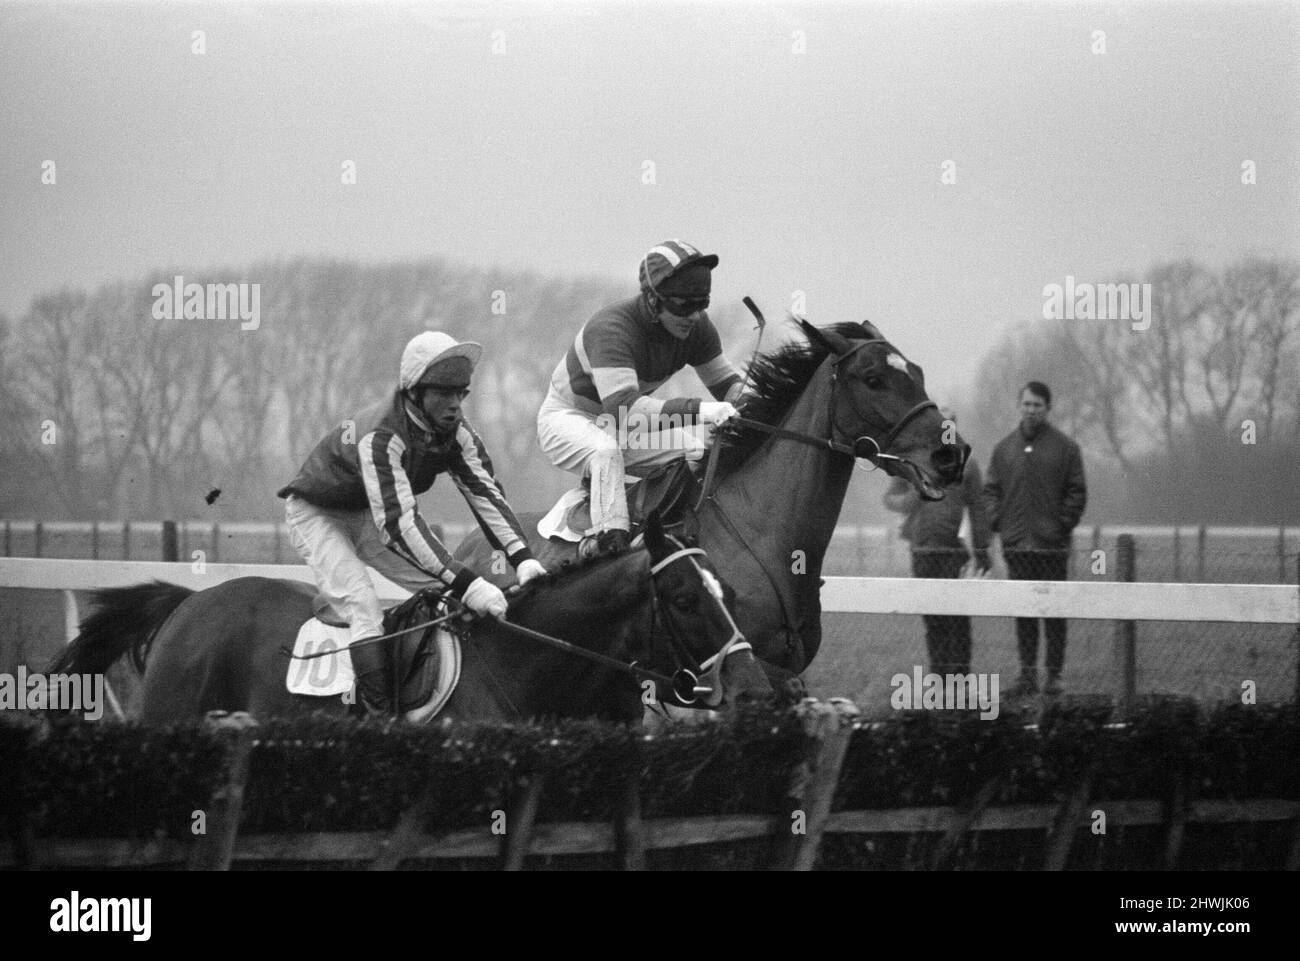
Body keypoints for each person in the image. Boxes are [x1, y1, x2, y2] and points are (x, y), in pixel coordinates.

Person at [278, 331, 546, 713]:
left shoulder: (458, 432)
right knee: (362, 605)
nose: (455, 405)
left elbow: (485, 493)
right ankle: (379, 719)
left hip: (367, 514)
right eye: (444, 394)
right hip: (318, 514)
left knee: (446, 593)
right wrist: (470, 583)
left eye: (461, 394)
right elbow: (400, 527)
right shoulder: (381, 435)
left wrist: (524, 558)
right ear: (415, 392)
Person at [537, 240, 745, 557]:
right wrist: (703, 411)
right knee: (605, 451)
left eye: (701, 303)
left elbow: (728, 386)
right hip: (569, 419)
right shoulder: (612, 328)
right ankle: (611, 545)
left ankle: (665, 535)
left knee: (696, 454)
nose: (693, 315)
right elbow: (625, 411)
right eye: (682, 305)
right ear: (652, 299)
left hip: (620, 422)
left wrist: (750, 407)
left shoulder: (698, 328)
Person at [984, 381, 1087, 697]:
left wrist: (1061, 525)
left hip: (1052, 547)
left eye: (1037, 405)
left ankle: (1054, 676)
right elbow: (990, 491)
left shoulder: (1066, 448)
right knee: (1025, 613)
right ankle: (1027, 675)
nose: (1031, 410)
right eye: (1026, 404)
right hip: (1017, 546)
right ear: (1019, 406)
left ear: (1047, 408)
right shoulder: (1004, 449)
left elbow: (1077, 491)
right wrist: (999, 523)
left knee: (1053, 612)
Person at [883, 407, 992, 676]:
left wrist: (981, 550)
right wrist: (910, 501)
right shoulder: (911, 460)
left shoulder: (968, 464)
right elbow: (889, 498)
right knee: (932, 618)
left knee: (957, 617)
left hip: (954, 553)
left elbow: (979, 508)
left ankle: (961, 676)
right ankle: (939, 675)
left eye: (948, 427)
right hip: (920, 550)